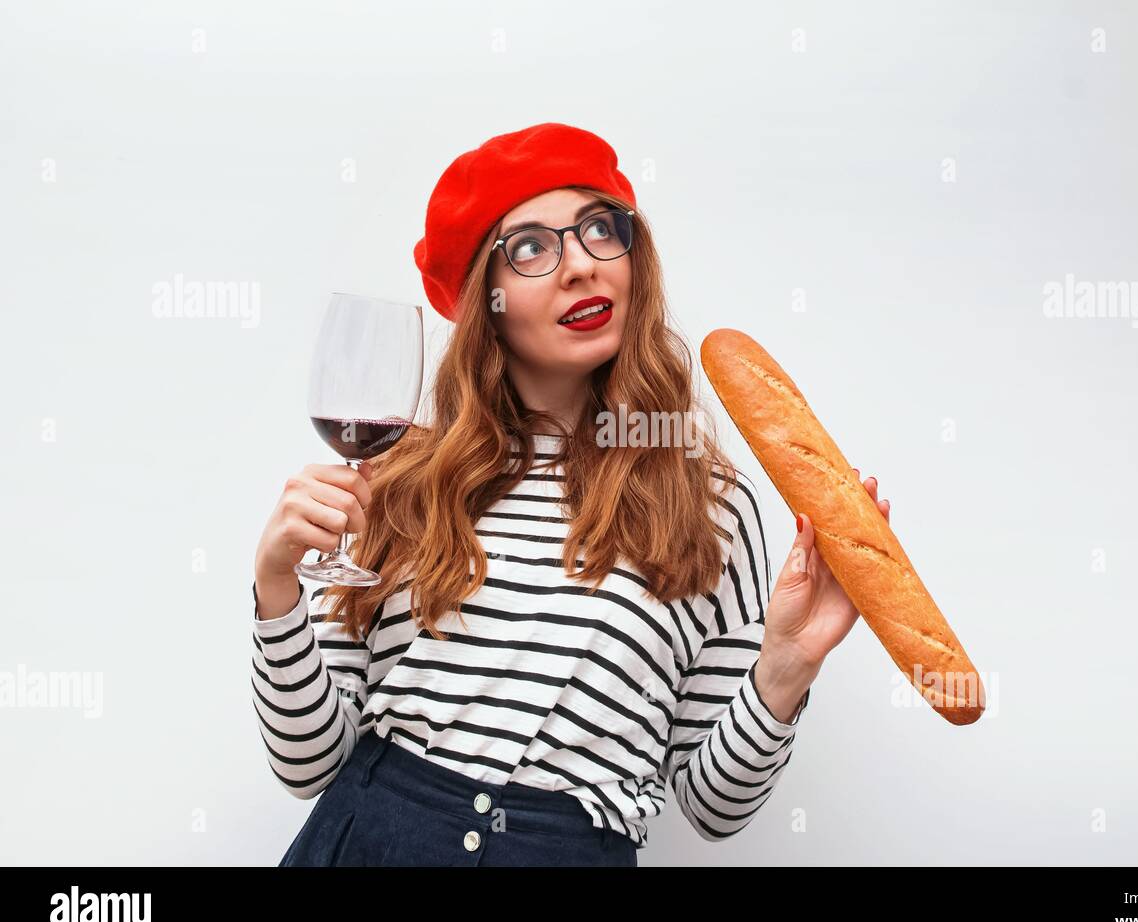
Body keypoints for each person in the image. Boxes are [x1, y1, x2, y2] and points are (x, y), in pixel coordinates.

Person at [250, 122, 890, 866]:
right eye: (530, 247)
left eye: (598, 229)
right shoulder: (402, 481)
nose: (581, 266)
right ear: (482, 299)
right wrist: (275, 590)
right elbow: (307, 765)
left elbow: (714, 809)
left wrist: (787, 664)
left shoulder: (711, 506)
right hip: (372, 837)